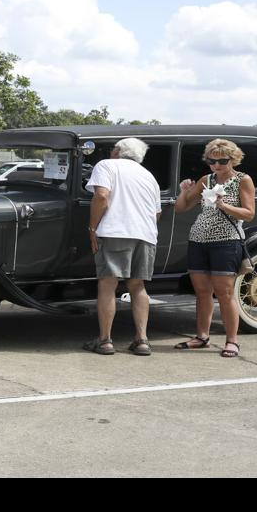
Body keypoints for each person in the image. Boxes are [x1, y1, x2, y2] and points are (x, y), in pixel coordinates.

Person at [174, 138, 256, 359]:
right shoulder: (206, 179)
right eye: (212, 161)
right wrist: (184, 191)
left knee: (225, 292)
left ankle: (232, 341)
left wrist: (224, 205)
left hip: (226, 240)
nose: (216, 166)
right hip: (199, 239)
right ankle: (202, 337)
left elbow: (249, 213)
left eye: (222, 161)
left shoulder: (242, 180)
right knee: (202, 292)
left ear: (233, 159)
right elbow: (181, 208)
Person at [81, 137, 161, 356]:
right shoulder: (148, 176)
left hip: (115, 231)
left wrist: (92, 229)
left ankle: (105, 340)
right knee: (138, 286)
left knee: (108, 284)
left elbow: (101, 196)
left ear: (117, 151)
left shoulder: (106, 165)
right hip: (145, 234)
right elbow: (157, 213)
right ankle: (142, 339)